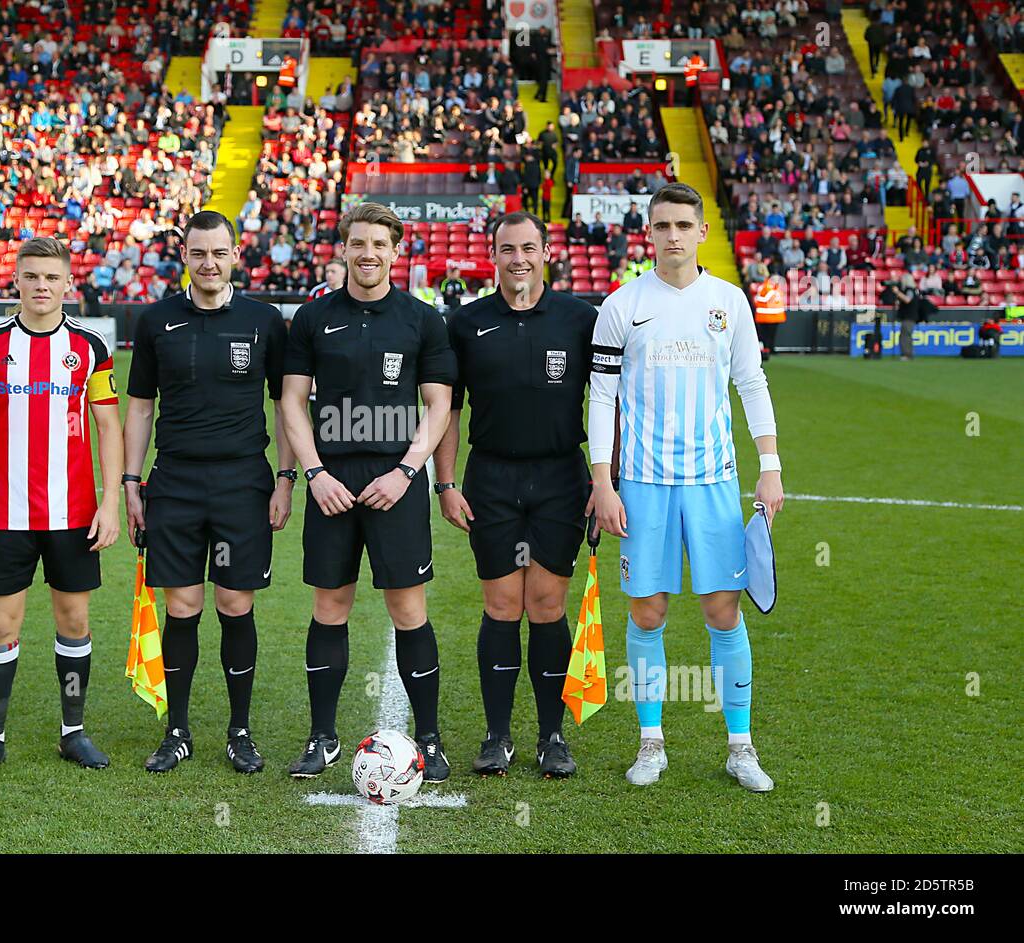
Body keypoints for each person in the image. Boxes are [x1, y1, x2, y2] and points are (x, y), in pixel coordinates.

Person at [588, 183, 785, 793]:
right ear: (648, 233)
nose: (672, 235)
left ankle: (740, 746)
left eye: (683, 224)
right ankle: (651, 744)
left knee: (722, 610)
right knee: (647, 611)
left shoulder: (728, 300)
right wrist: (603, 482)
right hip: (643, 485)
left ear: (702, 232)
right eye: (661, 225)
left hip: (714, 482)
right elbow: (601, 396)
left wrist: (770, 463)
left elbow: (750, 382)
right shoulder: (622, 304)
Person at [279, 202, 458, 781]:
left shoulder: (422, 319)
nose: (368, 253)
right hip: (331, 478)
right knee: (330, 608)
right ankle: (323, 736)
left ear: (395, 251)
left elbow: (439, 405)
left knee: (408, 610)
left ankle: (428, 740)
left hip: (395, 477)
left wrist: (407, 471)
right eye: (358, 243)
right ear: (344, 248)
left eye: (379, 244)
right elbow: (291, 401)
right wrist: (314, 473)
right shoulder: (312, 318)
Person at [121, 211, 295, 774]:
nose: (209, 263)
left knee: (234, 603)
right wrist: (130, 482)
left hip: (244, 481)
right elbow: (141, 407)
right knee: (183, 605)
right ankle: (177, 730)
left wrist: (285, 479)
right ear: (186, 257)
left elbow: (285, 404)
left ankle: (239, 730)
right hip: (174, 483)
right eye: (199, 254)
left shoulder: (265, 321)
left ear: (235, 254)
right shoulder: (155, 321)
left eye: (219, 253)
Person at [0, 238, 123, 780]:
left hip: (74, 514)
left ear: (69, 283)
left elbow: (108, 425)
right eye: (31, 276)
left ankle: (73, 733)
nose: (41, 285)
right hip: (4, 516)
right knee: (2, 625)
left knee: (75, 621)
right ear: (16, 281)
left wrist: (110, 501)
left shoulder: (91, 348)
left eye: (51, 277)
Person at [432, 211, 598, 778]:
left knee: (548, 605)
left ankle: (552, 736)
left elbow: (607, 406)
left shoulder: (581, 319)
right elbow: (447, 413)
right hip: (493, 479)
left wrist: (605, 483)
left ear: (546, 251)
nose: (519, 258)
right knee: (502, 606)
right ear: (493, 255)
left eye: (529, 247)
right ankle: (497, 734)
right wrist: (446, 483)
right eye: (508, 249)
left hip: (560, 479)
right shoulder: (466, 322)